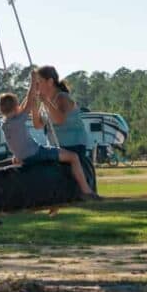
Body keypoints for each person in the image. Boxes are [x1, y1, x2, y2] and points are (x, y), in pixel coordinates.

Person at [0, 90, 95, 198]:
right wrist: (33, 85)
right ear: (16, 106)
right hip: (35, 153)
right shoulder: (18, 120)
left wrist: (30, 96)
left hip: (20, 156)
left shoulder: (4, 123)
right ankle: (86, 190)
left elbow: (22, 107)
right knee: (73, 157)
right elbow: (27, 105)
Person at [33, 65, 98, 195]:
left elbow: (60, 119)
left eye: (39, 82)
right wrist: (34, 106)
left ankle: (86, 192)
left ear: (50, 82)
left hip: (73, 146)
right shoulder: (44, 102)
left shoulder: (62, 98)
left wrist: (46, 102)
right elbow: (38, 125)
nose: (36, 86)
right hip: (56, 146)